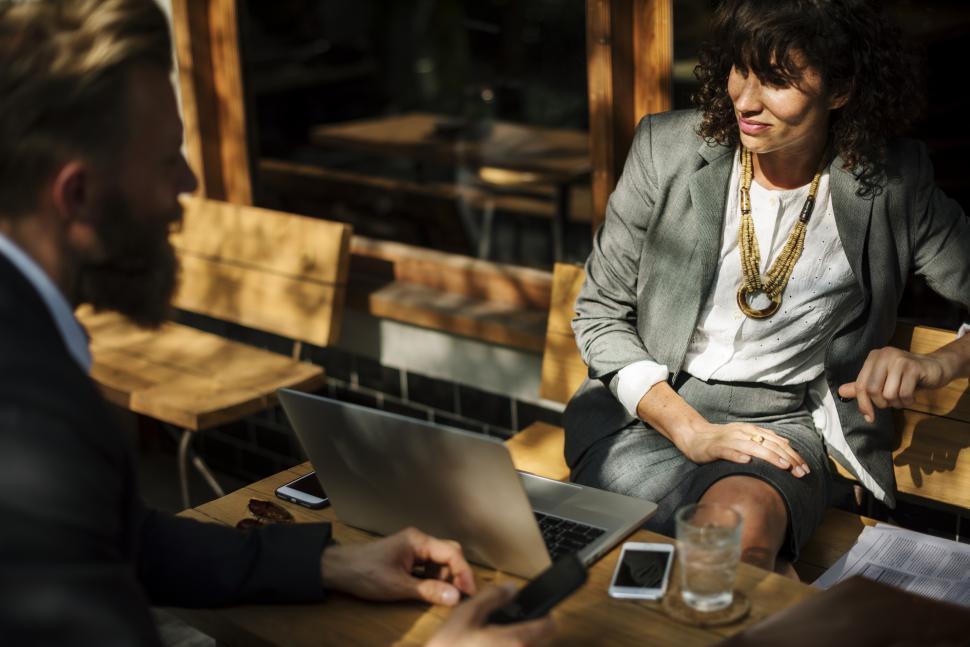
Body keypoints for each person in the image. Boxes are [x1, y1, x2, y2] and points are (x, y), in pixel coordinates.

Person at [0, 1, 554, 645]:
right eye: (165, 160)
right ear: (77, 195)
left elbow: (121, 537)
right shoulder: (29, 418)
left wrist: (325, 563)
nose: (189, 182)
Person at [565, 0, 970, 578]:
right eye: (740, 70)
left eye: (777, 81)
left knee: (735, 549)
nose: (746, 101)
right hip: (648, 414)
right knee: (663, 573)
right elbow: (599, 315)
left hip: (777, 425)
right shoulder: (667, 149)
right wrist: (693, 431)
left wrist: (939, 366)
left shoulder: (891, 183)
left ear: (840, 89)